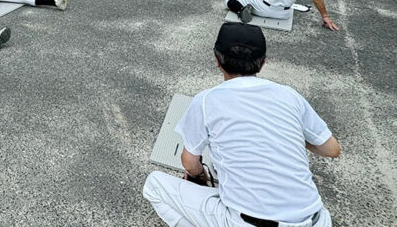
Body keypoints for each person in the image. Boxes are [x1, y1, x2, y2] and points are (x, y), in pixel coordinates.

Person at [143, 22, 340, 227]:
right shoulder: (289, 95)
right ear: (263, 62)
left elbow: (189, 163)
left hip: (248, 223)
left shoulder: (206, 101)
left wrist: (201, 174)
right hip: (316, 220)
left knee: (154, 185)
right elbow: (332, 149)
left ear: (216, 60)